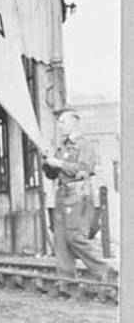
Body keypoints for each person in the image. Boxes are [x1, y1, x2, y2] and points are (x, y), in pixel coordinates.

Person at [43, 109, 111, 284]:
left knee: (75, 236)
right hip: (61, 192)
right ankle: (66, 279)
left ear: (74, 122)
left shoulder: (84, 145)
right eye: (59, 122)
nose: (60, 126)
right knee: (60, 239)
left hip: (77, 190)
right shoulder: (61, 145)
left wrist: (59, 163)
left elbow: (84, 171)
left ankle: (103, 270)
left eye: (63, 122)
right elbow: (52, 174)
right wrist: (48, 163)